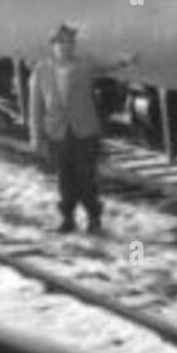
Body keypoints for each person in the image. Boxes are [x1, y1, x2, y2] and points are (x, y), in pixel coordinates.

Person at [28, 23, 132, 234]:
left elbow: (106, 65)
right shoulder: (41, 70)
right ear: (52, 46)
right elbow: (35, 106)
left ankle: (94, 219)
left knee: (87, 178)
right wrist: (36, 137)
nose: (64, 48)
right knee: (64, 179)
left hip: (84, 132)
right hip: (58, 133)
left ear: (73, 46)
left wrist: (125, 60)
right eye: (59, 44)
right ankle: (68, 219)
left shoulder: (85, 65)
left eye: (68, 44)